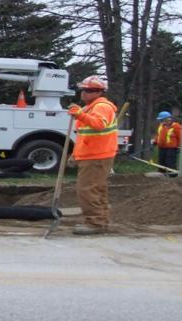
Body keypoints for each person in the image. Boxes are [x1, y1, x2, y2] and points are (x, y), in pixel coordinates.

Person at [65, 75, 118, 235]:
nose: (83, 93)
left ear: (97, 92)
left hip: (97, 155)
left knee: (87, 189)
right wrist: (76, 154)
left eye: (87, 90)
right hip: (93, 154)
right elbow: (85, 135)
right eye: (83, 90)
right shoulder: (92, 107)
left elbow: (99, 125)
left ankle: (95, 223)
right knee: (97, 189)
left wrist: (79, 115)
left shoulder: (102, 106)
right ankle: (100, 221)